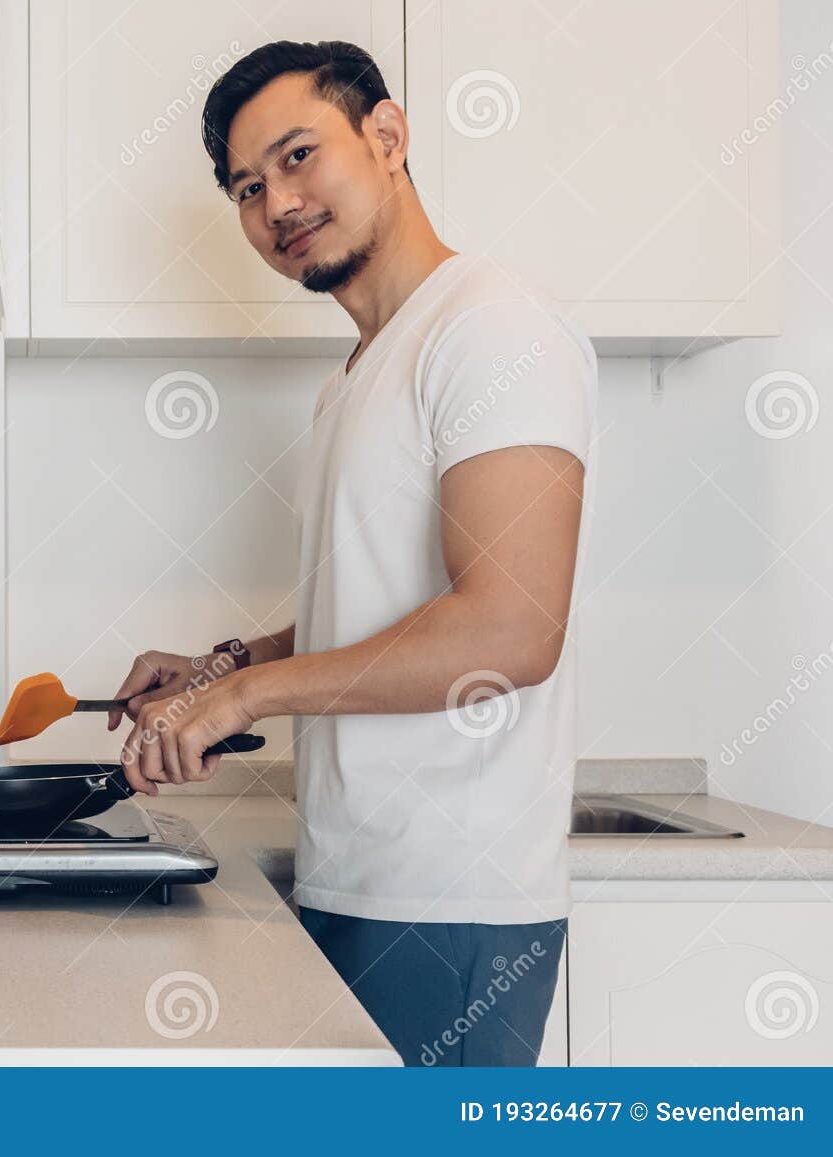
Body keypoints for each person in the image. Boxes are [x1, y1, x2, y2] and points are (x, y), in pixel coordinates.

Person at [108, 40, 596, 1067]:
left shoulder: (491, 326)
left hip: (448, 897)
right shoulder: (360, 371)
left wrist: (247, 701)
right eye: (247, 186)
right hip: (359, 877)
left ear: (386, 135)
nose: (274, 202)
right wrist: (227, 664)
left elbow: (509, 626)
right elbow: (386, 601)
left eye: (295, 156)